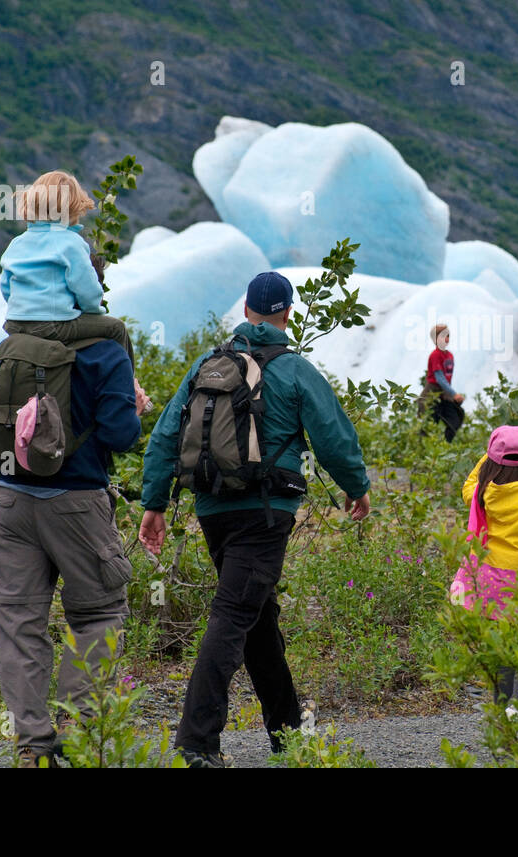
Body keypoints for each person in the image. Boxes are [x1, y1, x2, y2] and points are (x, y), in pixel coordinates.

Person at [138, 271, 372, 767]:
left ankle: (287, 733)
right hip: (266, 513)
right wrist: (357, 487)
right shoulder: (294, 369)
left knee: (256, 616)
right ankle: (196, 743)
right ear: (287, 313)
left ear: (246, 309)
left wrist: (154, 504)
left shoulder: (206, 364)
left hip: (213, 511)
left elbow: (163, 437)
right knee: (234, 615)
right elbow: (332, 436)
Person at [0, 281, 146, 767]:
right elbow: (121, 435)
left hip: (9, 502)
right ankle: (77, 723)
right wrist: (134, 407)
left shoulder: (6, 350)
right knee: (99, 613)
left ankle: (31, 745)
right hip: (79, 504)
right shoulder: (106, 351)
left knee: (19, 623)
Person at [0, 170, 149, 407]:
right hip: (53, 325)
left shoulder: (17, 243)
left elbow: (6, 286)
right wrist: (93, 312)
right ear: (72, 209)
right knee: (116, 328)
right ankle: (128, 392)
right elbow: (86, 289)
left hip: (15, 324)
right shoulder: (71, 242)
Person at [449, 425, 518, 704]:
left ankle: (501, 708)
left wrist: (488, 457)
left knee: (502, 650)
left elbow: (467, 485)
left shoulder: (482, 495)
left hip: (490, 584)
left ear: (491, 461)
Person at [425, 323, 464, 442]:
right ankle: (426, 449)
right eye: (442, 336)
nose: (446, 339)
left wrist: (449, 394)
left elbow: (447, 378)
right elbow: (440, 378)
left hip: (444, 393)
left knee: (456, 418)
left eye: (447, 336)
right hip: (432, 392)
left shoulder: (450, 355)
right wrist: (454, 394)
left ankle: (445, 443)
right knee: (427, 424)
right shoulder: (435, 355)